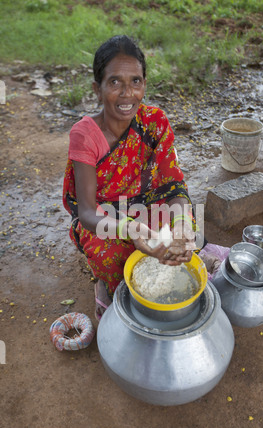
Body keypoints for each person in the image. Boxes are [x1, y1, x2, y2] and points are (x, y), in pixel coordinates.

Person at [62, 35, 223, 321]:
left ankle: (194, 250)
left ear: (144, 85)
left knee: (183, 227)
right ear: (97, 90)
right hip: (104, 217)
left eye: (135, 81)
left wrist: (183, 226)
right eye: (114, 82)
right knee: (108, 253)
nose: (127, 93)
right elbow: (87, 211)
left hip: (146, 208)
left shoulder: (155, 123)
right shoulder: (84, 135)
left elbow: (174, 187)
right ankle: (106, 285)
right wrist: (133, 231)